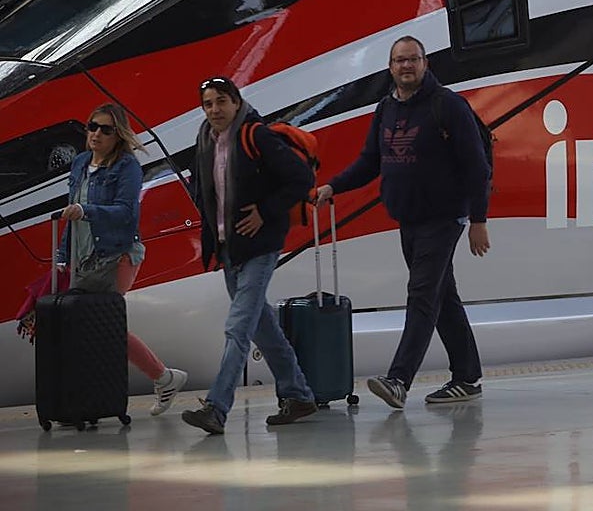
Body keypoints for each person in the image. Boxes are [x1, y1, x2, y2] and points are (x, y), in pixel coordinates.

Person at [315, 35, 490, 410]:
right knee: (443, 298)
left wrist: (479, 220)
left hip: (444, 218)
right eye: (399, 61)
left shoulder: (448, 106)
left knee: (422, 296)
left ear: (425, 63)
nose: (406, 66)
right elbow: (370, 161)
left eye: (413, 59)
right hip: (409, 219)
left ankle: (399, 380)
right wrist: (334, 186)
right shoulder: (386, 109)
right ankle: (468, 375)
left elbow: (477, 167)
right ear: (390, 67)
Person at [181, 76, 318, 435]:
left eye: (221, 101)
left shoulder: (255, 135)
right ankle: (298, 394)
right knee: (262, 327)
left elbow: (301, 179)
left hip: (260, 246)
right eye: (208, 103)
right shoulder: (204, 139)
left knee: (238, 327)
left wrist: (265, 211)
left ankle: (216, 408)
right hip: (230, 248)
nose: (215, 109)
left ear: (237, 102)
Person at [56, 103, 188, 416]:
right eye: (92, 126)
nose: (96, 134)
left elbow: (128, 214)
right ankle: (93, 396)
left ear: (119, 135)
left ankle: (161, 377)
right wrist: (63, 253)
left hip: (116, 254)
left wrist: (89, 212)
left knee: (105, 323)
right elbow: (72, 209)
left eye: (106, 129)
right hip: (83, 257)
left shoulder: (125, 167)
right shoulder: (79, 164)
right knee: (90, 325)